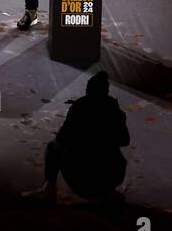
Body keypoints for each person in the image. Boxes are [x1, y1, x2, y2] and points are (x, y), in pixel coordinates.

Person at [32, 71, 130, 202]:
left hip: (79, 180)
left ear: (88, 90)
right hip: (111, 177)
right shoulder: (115, 112)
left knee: (53, 147)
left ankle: (49, 188)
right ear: (106, 91)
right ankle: (107, 192)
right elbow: (125, 140)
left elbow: (62, 138)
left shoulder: (79, 108)